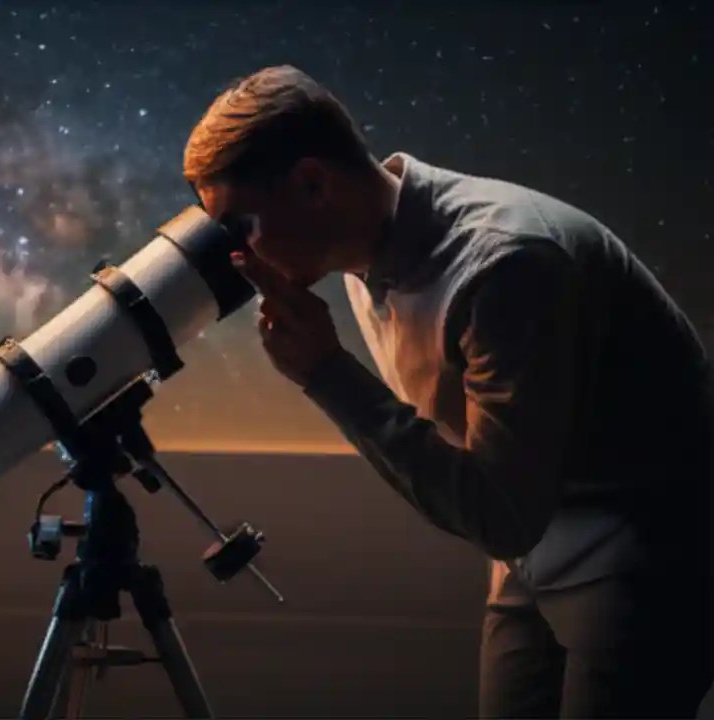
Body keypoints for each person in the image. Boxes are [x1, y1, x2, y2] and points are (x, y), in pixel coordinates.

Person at [183, 64, 713, 718]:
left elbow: (500, 512)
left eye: (243, 228)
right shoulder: (360, 252)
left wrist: (328, 373)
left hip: (643, 553)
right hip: (529, 548)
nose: (239, 257)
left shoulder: (505, 265)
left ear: (313, 184)